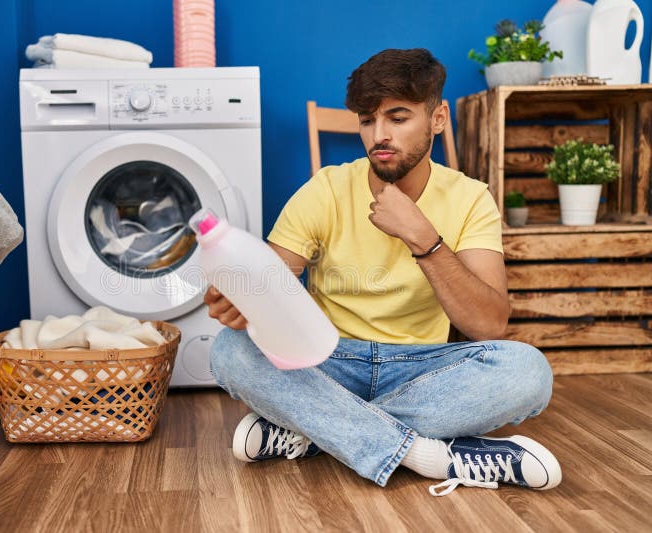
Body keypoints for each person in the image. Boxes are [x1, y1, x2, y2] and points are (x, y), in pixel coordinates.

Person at [205, 48, 561, 496]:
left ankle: (314, 431)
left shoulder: (470, 198)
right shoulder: (327, 190)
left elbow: (488, 324)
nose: (379, 135)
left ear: (437, 118)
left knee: (528, 371)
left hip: (425, 370)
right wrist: (247, 298)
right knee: (231, 349)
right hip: (329, 359)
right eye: (367, 120)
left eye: (397, 117)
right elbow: (272, 283)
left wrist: (424, 239)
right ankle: (432, 457)